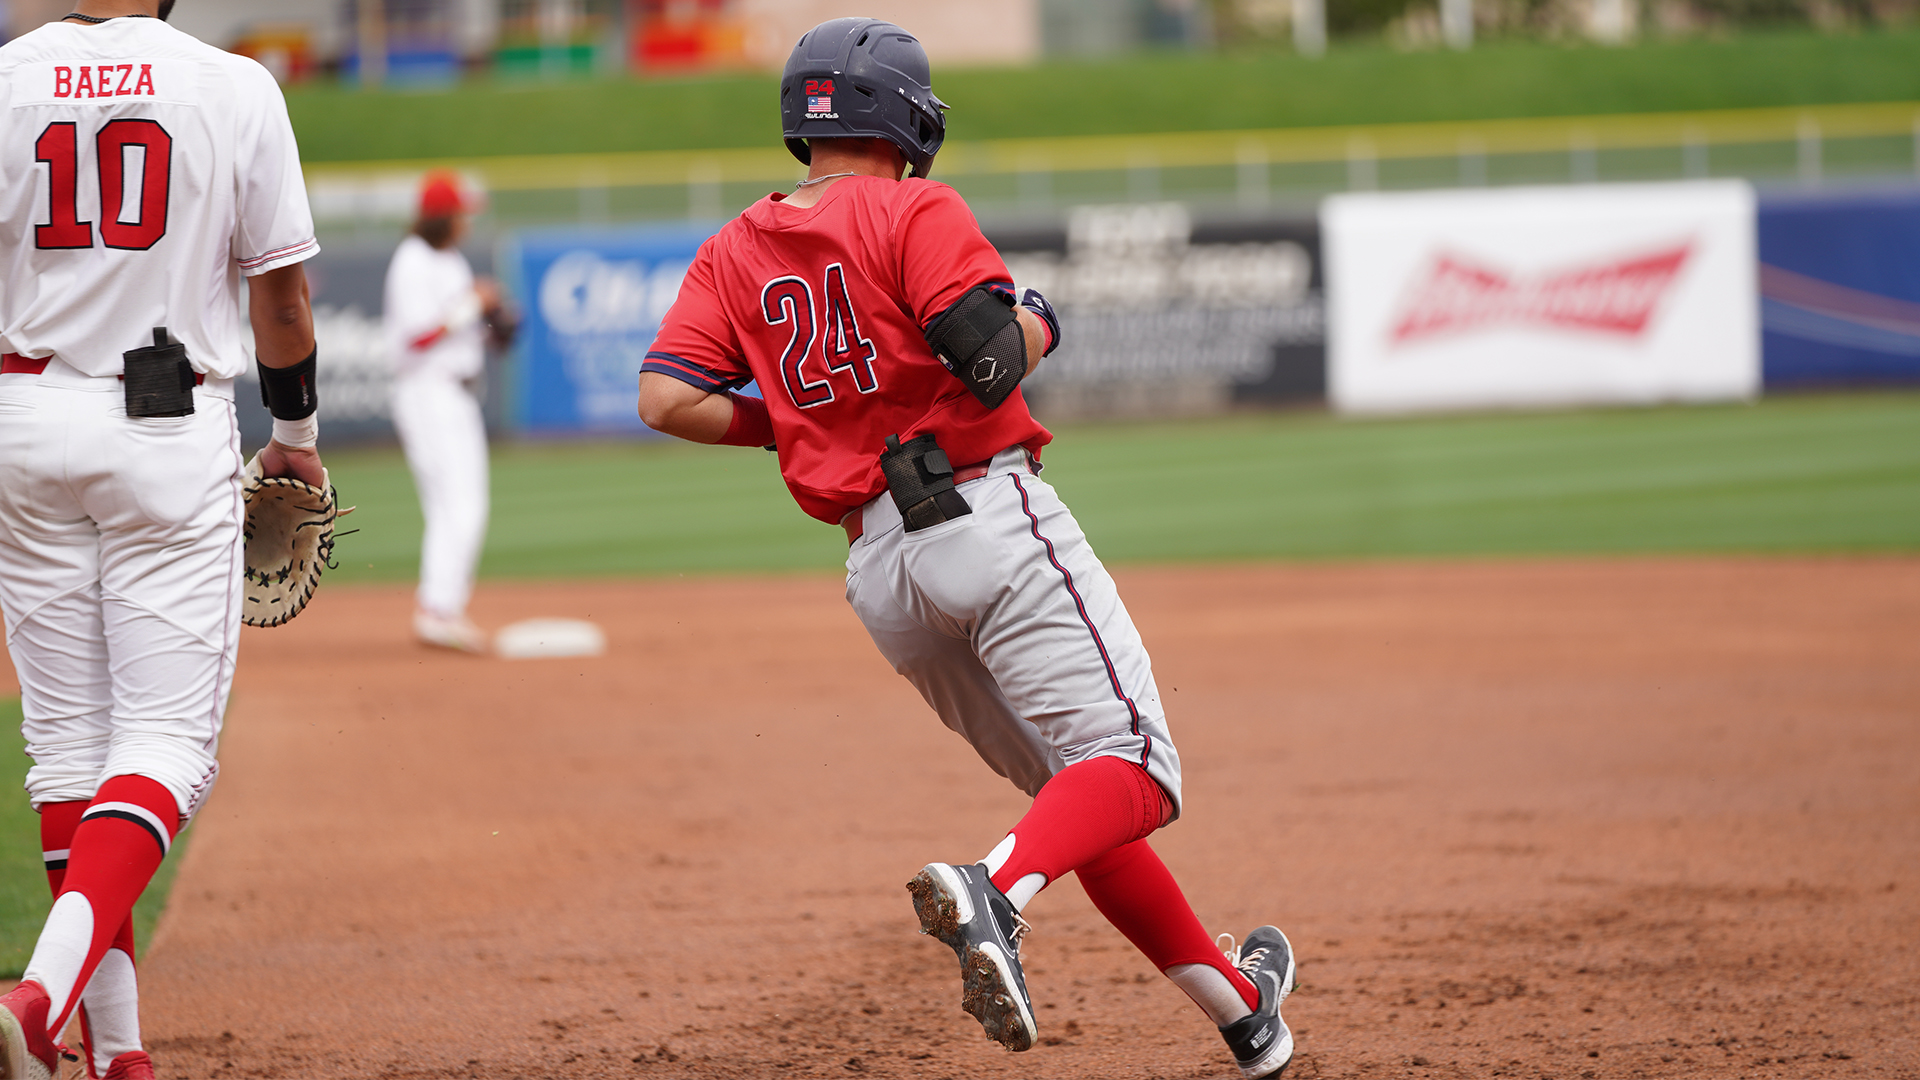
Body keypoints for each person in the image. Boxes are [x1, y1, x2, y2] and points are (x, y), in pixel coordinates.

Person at [636, 18, 1298, 1079]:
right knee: (1133, 769)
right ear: (904, 116)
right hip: (981, 518)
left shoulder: (733, 249)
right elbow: (989, 363)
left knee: (1078, 804)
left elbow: (666, 397)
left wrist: (798, 428)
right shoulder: (912, 204)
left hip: (881, 574)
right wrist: (1040, 317)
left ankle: (1244, 1016)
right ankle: (994, 890)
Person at [0, 1, 324, 1077]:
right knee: (164, 751)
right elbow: (280, 296)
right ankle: (42, 1003)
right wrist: (297, 438)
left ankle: (120, 1057)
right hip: (161, 418)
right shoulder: (231, 84)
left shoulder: (8, 77)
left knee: (68, 754)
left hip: (21, 417)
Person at [383, 170, 509, 653]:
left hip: (454, 391)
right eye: (461, 214)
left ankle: (442, 608)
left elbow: (458, 329)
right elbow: (416, 336)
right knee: (456, 505)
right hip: (427, 391)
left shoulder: (447, 260)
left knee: (462, 505)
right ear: (442, 216)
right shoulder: (412, 261)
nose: (467, 223)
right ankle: (438, 610)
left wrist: (489, 325)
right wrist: (470, 307)